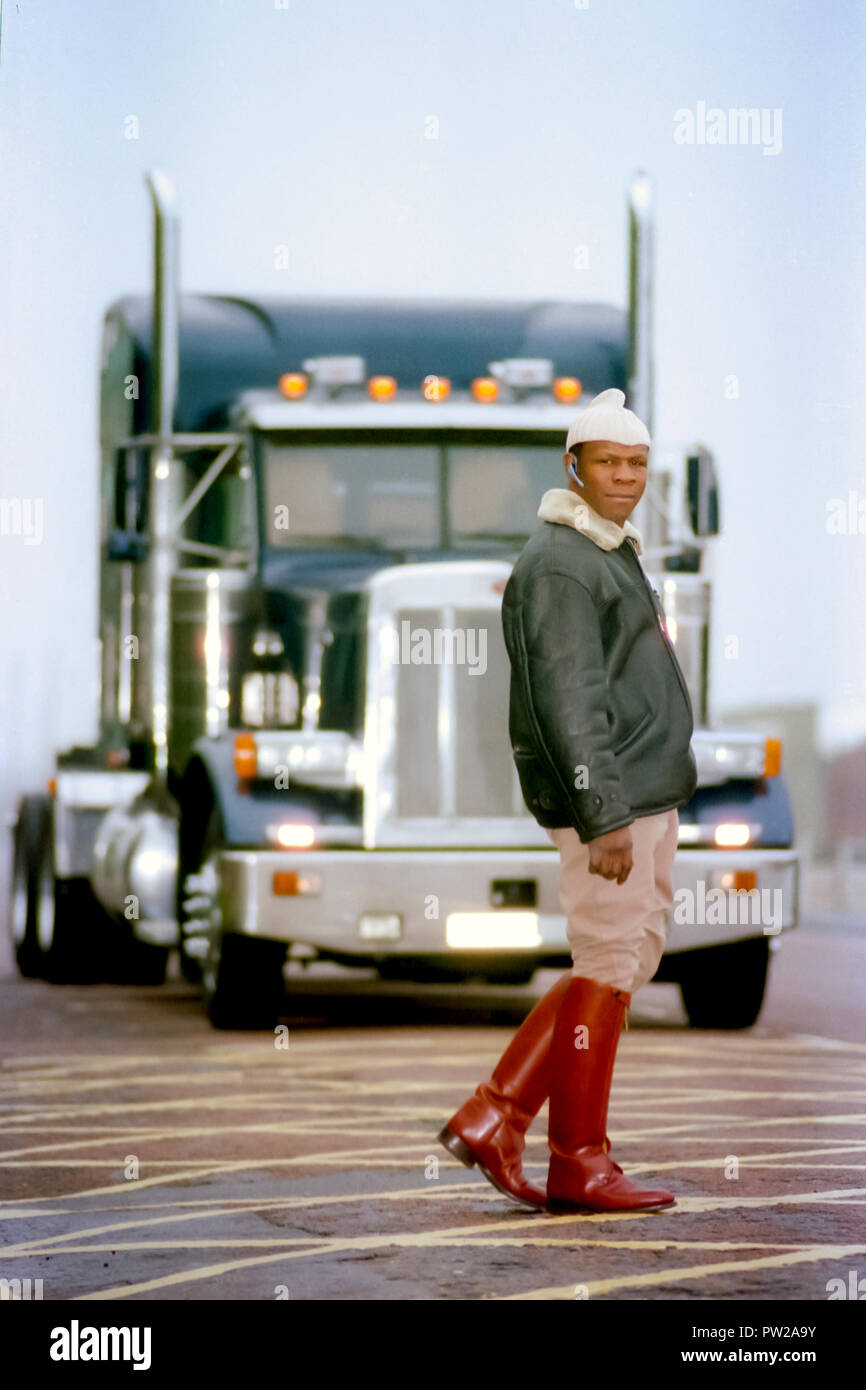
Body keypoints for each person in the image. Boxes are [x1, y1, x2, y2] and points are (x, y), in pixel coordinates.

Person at [437, 387, 698, 1214]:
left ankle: (497, 1116)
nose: (626, 477)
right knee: (605, 963)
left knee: (620, 962)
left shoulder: (606, 547)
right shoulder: (560, 562)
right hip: (614, 798)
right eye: (609, 463)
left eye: (637, 464)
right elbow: (567, 699)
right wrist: (604, 814)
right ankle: (576, 1158)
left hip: (643, 789)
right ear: (573, 466)